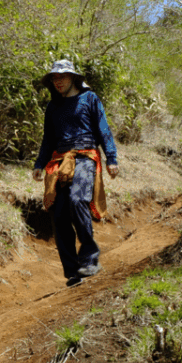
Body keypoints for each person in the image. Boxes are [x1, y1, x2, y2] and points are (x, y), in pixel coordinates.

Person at [32, 60, 119, 287]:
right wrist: (39, 164)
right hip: (58, 160)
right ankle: (73, 272)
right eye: (54, 78)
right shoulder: (52, 107)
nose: (58, 81)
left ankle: (90, 258)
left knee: (77, 199)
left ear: (73, 78)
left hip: (85, 157)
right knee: (58, 214)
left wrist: (112, 158)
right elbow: (48, 139)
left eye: (62, 77)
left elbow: (103, 130)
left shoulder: (90, 99)